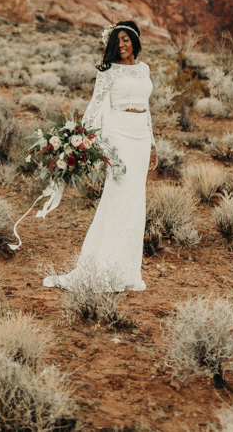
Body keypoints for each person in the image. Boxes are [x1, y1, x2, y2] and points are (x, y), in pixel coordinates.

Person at [43, 20, 158, 292]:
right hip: (118, 137)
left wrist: (153, 144)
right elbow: (94, 108)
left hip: (140, 137)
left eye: (125, 39)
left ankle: (126, 273)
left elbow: (147, 109)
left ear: (135, 40)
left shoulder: (144, 70)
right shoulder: (107, 72)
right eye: (116, 41)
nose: (121, 45)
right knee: (117, 198)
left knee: (135, 202)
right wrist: (86, 141)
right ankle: (99, 268)